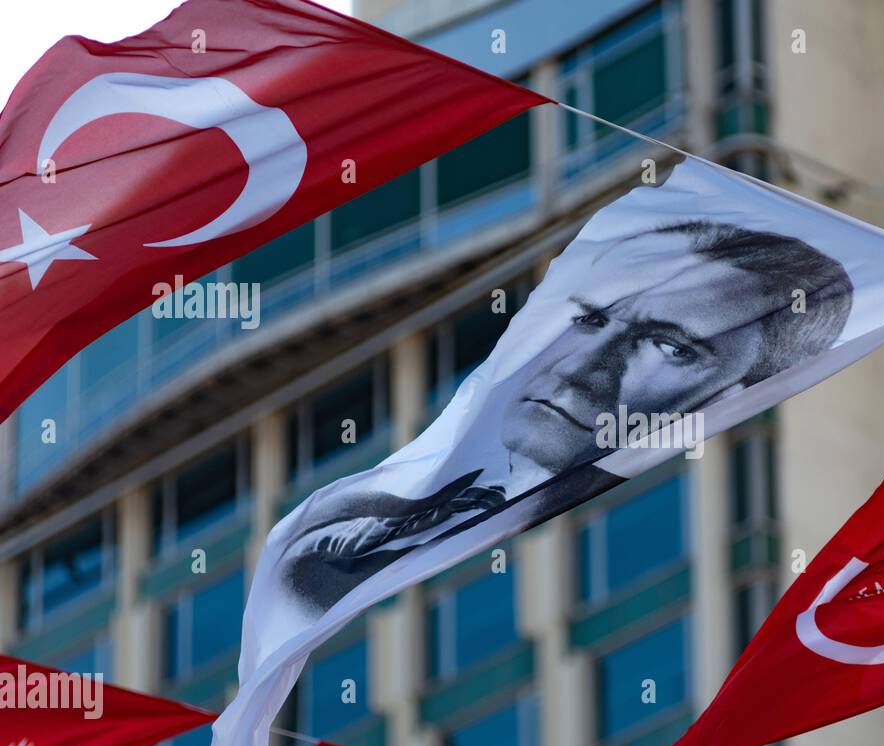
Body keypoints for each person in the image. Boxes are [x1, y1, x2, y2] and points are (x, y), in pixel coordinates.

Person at [276, 218, 854, 618]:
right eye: (588, 319)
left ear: (737, 398)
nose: (584, 369)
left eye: (672, 348)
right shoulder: (364, 522)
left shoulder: (629, 554)